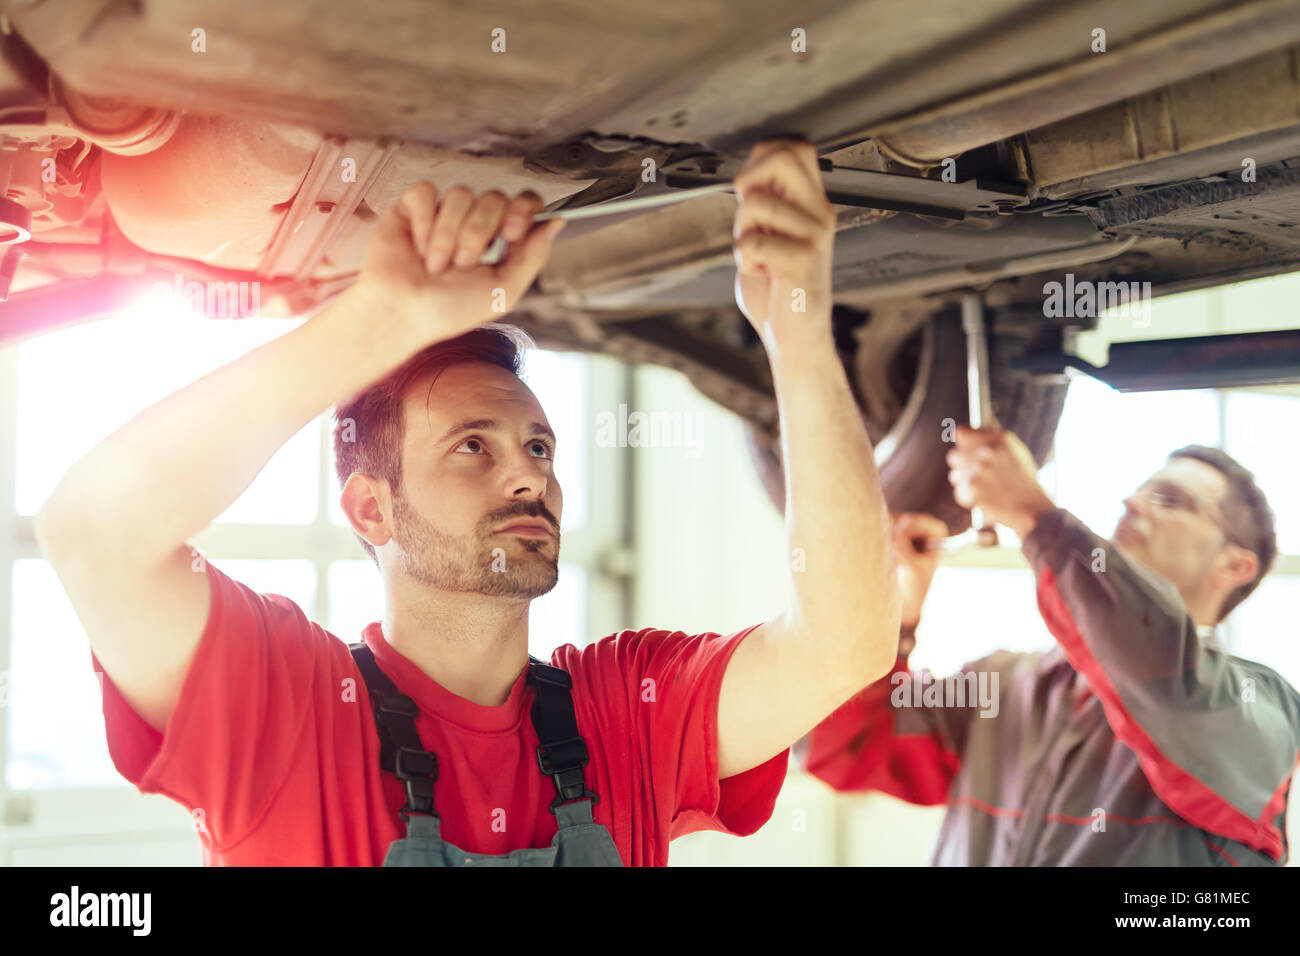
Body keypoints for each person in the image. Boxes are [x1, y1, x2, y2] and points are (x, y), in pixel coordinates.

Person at [34, 139, 901, 866]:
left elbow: (846, 643)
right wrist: (382, 319)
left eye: (538, 448)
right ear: (371, 510)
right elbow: (95, 531)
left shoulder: (624, 710)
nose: (529, 477)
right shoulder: (292, 705)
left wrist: (797, 329)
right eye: (471, 448)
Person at [801, 424, 1300, 865]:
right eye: (1137, 492)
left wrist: (1034, 514)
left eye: (1170, 500)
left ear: (1235, 566)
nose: (1131, 504)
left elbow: (1158, 666)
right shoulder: (1004, 686)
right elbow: (837, 743)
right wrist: (890, 616)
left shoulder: (1255, 708)